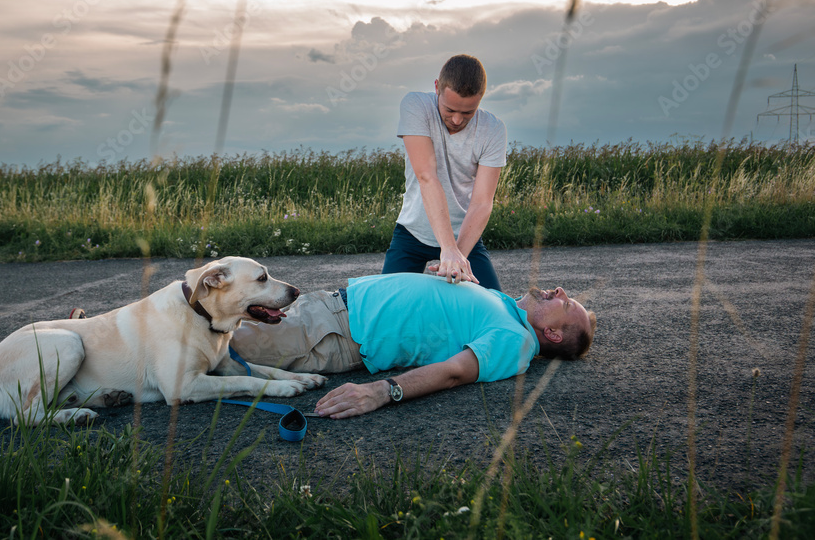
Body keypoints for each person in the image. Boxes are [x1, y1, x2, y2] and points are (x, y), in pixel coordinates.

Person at [230, 272, 595, 419]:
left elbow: (455, 372)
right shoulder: (506, 308)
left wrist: (381, 391)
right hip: (331, 308)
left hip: (333, 332)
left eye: (565, 304)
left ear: (553, 334)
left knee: (215, 346)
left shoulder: (516, 340)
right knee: (215, 323)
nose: (560, 290)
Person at [385, 54, 507, 289]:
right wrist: (448, 249)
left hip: (464, 236)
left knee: (497, 303)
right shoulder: (416, 105)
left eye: (468, 112)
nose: (457, 119)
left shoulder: (494, 129)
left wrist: (457, 256)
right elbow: (427, 177)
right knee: (385, 303)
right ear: (437, 88)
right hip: (413, 233)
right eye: (449, 109)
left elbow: (482, 202)